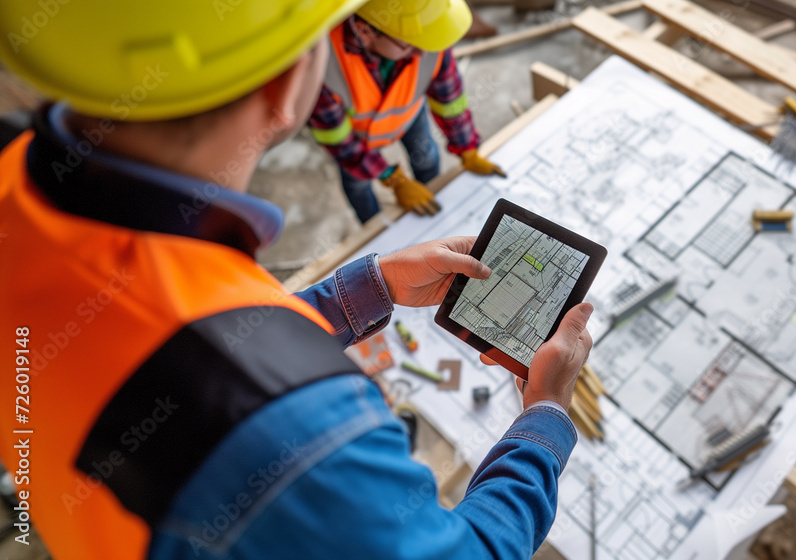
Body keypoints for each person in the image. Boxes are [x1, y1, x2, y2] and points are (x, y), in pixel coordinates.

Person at [0, 1, 592, 559]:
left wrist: (373, 287)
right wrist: (546, 414)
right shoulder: (307, 433)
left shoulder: (13, 170)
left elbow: (196, 335)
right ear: (286, 88)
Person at [309, 0, 506, 222]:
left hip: (409, 114)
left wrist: (466, 148)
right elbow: (340, 142)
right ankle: (374, 226)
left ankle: (432, 206)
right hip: (356, 137)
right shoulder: (321, 63)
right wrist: (394, 180)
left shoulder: (428, 36)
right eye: (410, 45)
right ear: (365, 31)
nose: (423, 53)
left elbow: (450, 99)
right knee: (358, 185)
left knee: (426, 157)